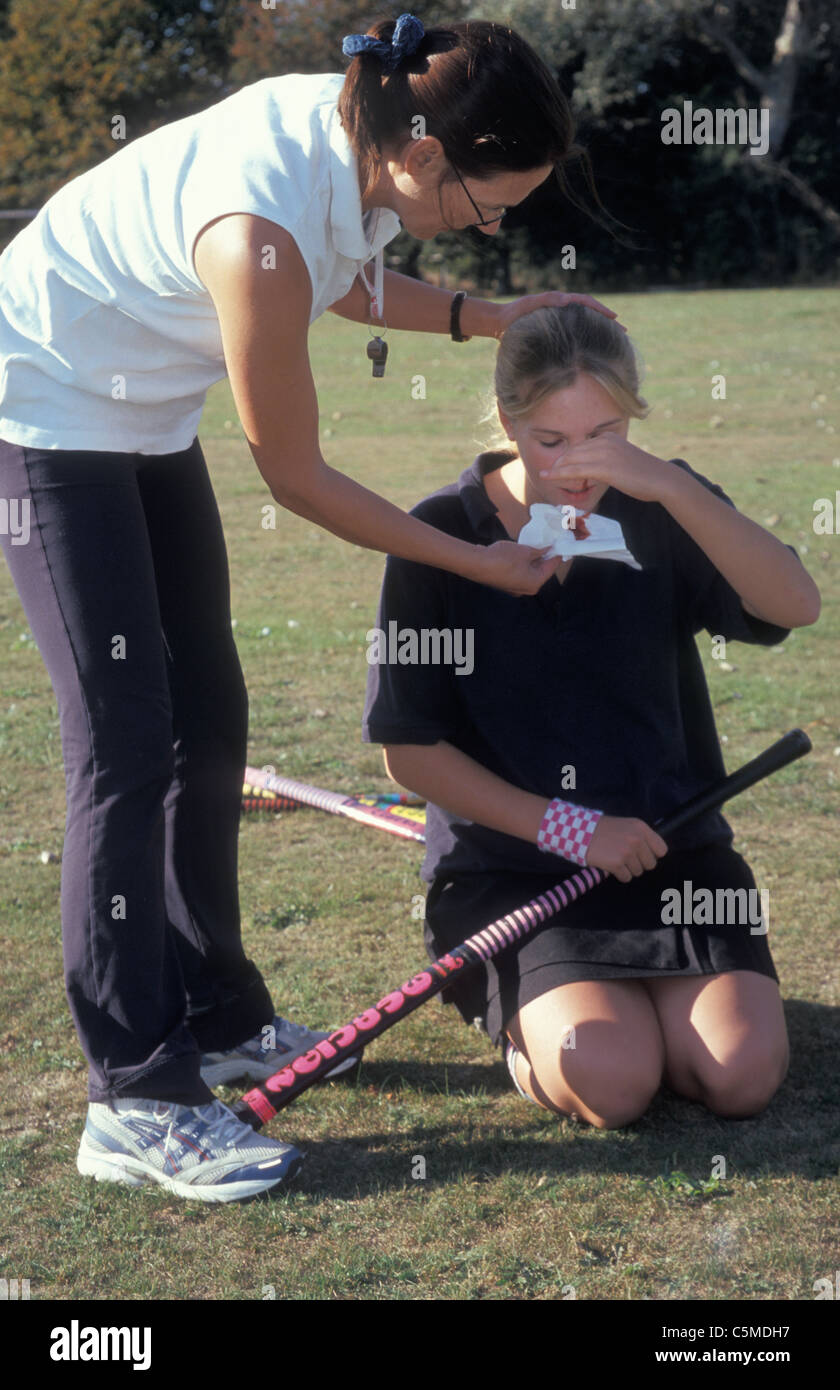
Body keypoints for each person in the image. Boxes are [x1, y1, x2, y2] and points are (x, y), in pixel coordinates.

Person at [0, 15, 617, 1201]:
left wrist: (496, 317)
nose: (492, 231)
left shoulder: (366, 127)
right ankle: (132, 1093)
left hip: (139, 413)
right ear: (432, 162)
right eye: (491, 210)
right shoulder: (259, 222)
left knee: (209, 721)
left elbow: (346, 280)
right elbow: (297, 475)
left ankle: (219, 1014)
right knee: (125, 744)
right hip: (45, 406)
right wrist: (477, 565)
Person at [363, 302, 820, 1129]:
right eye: (551, 440)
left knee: (741, 1079)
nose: (579, 467)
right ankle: (534, 1018)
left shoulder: (659, 507)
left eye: (605, 435)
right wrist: (573, 831)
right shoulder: (439, 536)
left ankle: (647, 1007)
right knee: (615, 1083)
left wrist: (671, 484)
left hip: (671, 856)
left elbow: (795, 603)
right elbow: (410, 752)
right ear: (506, 420)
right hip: (517, 873)